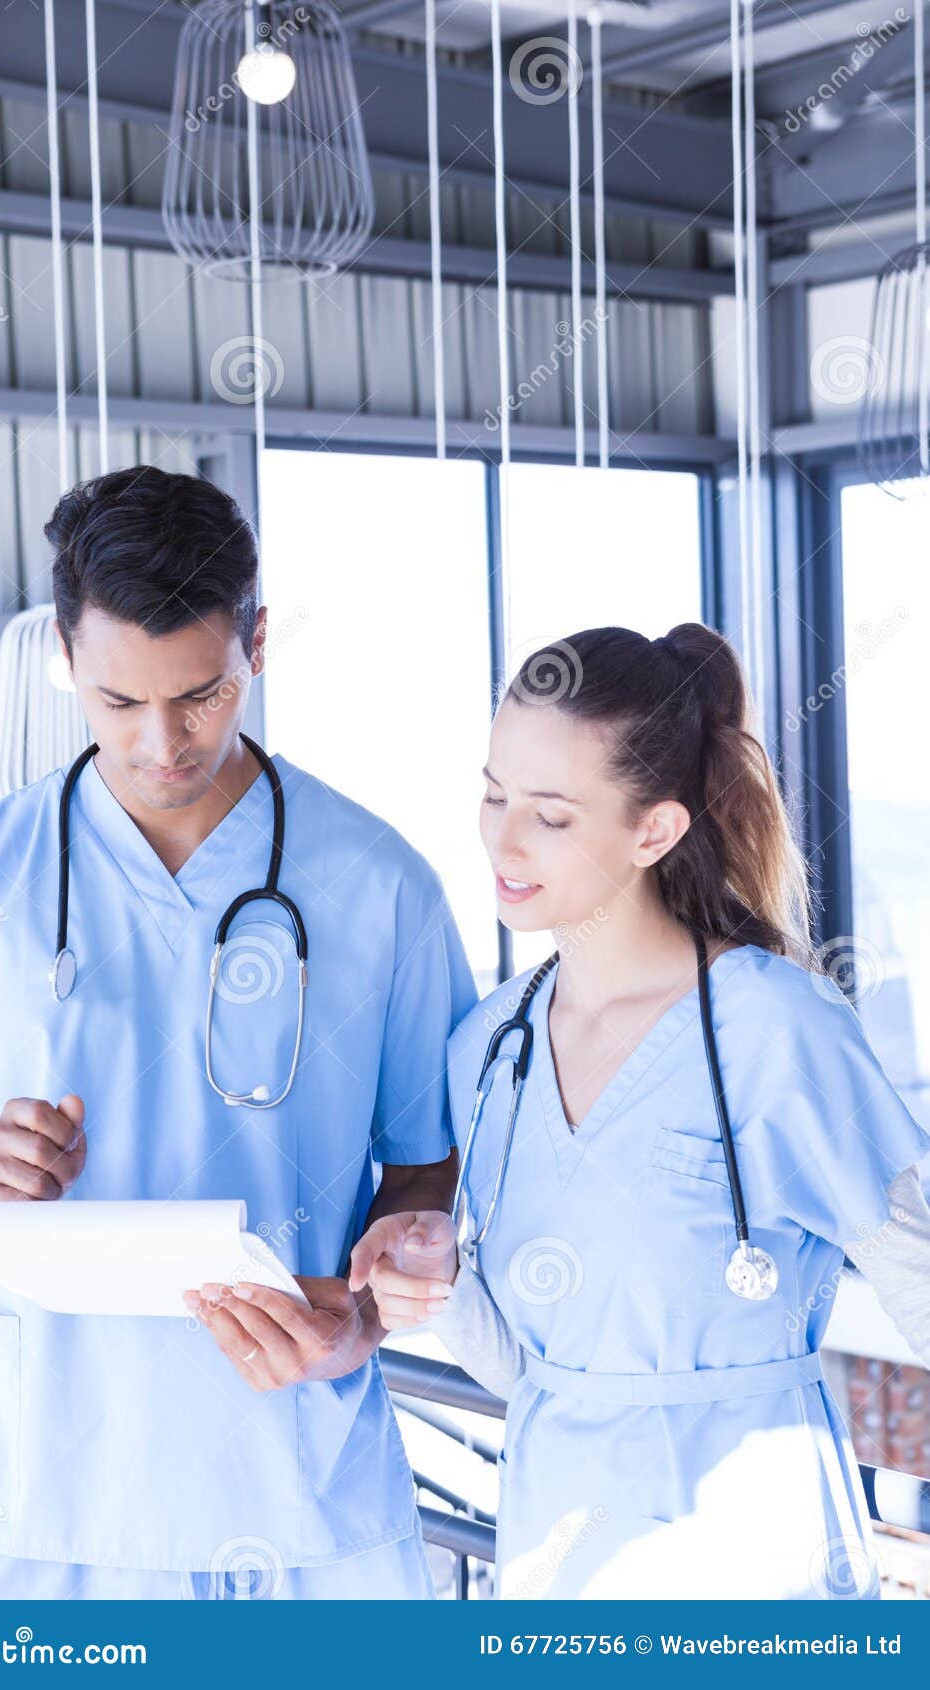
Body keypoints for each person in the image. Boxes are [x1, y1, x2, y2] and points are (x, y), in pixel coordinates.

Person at [0, 465, 476, 1601]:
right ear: (64, 655)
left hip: (301, 1501)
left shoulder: (378, 885)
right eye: (117, 702)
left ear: (254, 640)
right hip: (30, 1519)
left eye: (199, 693)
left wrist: (370, 1309)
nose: (160, 742)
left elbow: (426, 1170)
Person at [351, 623, 930, 1601]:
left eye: (551, 814)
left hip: (753, 1559)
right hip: (555, 1555)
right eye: (493, 793)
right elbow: (536, 1374)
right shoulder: (489, 1047)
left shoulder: (767, 1023)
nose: (501, 838)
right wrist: (434, 1278)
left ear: (652, 831)